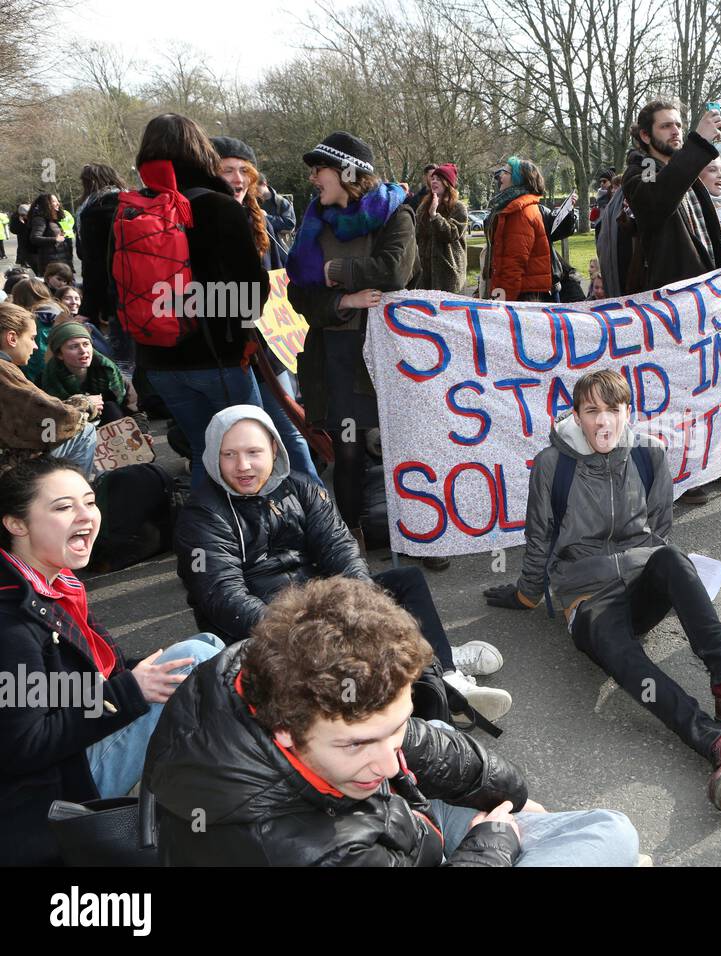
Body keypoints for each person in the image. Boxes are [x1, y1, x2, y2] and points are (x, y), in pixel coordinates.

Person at [144, 575, 639, 866]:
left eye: (395, 725)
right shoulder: (303, 852)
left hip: (387, 824)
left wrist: (512, 793)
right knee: (612, 834)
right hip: (366, 842)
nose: (387, 762)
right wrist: (490, 850)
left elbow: (411, 742)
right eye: (358, 744)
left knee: (442, 737)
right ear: (285, 733)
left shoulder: (246, 668)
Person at [483, 369, 721, 812]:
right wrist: (525, 595)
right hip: (586, 595)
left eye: (613, 409)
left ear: (629, 412)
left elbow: (660, 528)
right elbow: (539, 538)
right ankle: (720, 743)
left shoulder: (650, 454)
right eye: (592, 411)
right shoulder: (553, 464)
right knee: (619, 652)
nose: (603, 421)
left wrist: (646, 566)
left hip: (640, 581)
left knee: (672, 557)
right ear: (577, 415)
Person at [172, 404, 510, 719]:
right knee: (343, 665)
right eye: (228, 455)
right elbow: (222, 597)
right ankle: (429, 694)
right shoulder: (202, 514)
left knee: (405, 581)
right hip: (263, 626)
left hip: (322, 601)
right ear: (213, 457)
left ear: (274, 450)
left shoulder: (302, 488)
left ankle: (445, 673)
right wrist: (306, 629)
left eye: (253, 452)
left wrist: (358, 607)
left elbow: (340, 548)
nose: (243, 465)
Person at [0, 457, 223, 865]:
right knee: (199, 660)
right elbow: (23, 746)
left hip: (80, 742)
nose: (86, 516)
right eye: (63, 507)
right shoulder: (11, 620)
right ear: (17, 524)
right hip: (57, 792)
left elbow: (91, 675)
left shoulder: (57, 583)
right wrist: (129, 692)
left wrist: (131, 681)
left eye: (89, 501)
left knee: (208, 645)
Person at [620, 98, 721, 498]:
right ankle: (685, 473)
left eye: (680, 126)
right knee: (679, 395)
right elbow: (654, 206)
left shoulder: (683, 175)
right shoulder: (642, 171)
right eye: (666, 127)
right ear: (646, 135)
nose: (676, 132)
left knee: (714, 386)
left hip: (705, 307)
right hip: (670, 309)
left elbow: (704, 236)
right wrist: (699, 143)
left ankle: (719, 462)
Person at [286, 130, 418, 544]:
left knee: (402, 445)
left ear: (347, 172)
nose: (312, 178)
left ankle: (418, 531)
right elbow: (299, 293)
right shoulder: (314, 224)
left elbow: (394, 270)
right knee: (347, 449)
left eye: (318, 169)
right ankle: (351, 536)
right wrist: (346, 301)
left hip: (387, 351)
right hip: (338, 352)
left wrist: (333, 273)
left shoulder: (396, 214)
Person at [126, 113, 271, 477]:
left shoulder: (130, 211)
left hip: (158, 359)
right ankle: (255, 531)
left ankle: (209, 530)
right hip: (218, 358)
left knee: (205, 457)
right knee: (249, 460)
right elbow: (251, 291)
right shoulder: (219, 206)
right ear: (201, 152)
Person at [212, 135, 323, 487]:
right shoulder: (206, 221)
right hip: (237, 353)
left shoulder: (259, 220)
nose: (238, 179)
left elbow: (280, 283)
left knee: (291, 431)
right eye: (227, 170)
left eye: (245, 170)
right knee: (250, 439)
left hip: (273, 348)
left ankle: (316, 506)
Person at [0, 304, 99, 475]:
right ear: (12, 338)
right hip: (8, 468)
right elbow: (52, 416)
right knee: (85, 430)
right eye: (32, 338)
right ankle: (73, 493)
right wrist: (85, 405)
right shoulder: (3, 371)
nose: (36, 346)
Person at [75, 163, 132, 372]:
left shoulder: (91, 212)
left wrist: (88, 308)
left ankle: (131, 396)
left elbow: (93, 264)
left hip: (115, 296)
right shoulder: (135, 202)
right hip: (150, 292)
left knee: (123, 359)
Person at [480, 157, 551, 302]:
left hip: (521, 295)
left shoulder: (519, 212)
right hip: (520, 291)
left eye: (505, 172)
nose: (500, 176)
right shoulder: (514, 207)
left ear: (517, 179)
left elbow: (513, 263)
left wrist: (504, 300)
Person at [40, 321, 131, 425]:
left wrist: (141, 434)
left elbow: (132, 407)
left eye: (86, 344)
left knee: (111, 407)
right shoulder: (46, 379)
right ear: (60, 354)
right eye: (73, 347)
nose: (83, 351)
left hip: (109, 434)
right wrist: (82, 404)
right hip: (71, 431)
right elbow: (46, 420)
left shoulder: (108, 370)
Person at [415, 163, 469, 292]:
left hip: (448, 273)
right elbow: (417, 236)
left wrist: (434, 216)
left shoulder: (458, 207)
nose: (434, 181)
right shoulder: (423, 207)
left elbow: (452, 234)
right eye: (432, 178)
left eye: (438, 179)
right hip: (425, 274)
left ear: (447, 183)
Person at [25, 194, 74, 277]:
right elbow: (34, 238)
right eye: (54, 201)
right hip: (51, 264)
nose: (58, 203)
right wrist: (55, 239)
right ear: (46, 204)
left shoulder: (58, 218)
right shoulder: (40, 219)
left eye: (57, 201)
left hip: (64, 262)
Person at [12, 204, 32, 269]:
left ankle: (26, 261)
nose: (26, 216)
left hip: (31, 237)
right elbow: (14, 230)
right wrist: (21, 223)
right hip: (22, 237)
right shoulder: (15, 217)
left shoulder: (32, 216)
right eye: (24, 215)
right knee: (23, 248)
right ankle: (23, 262)